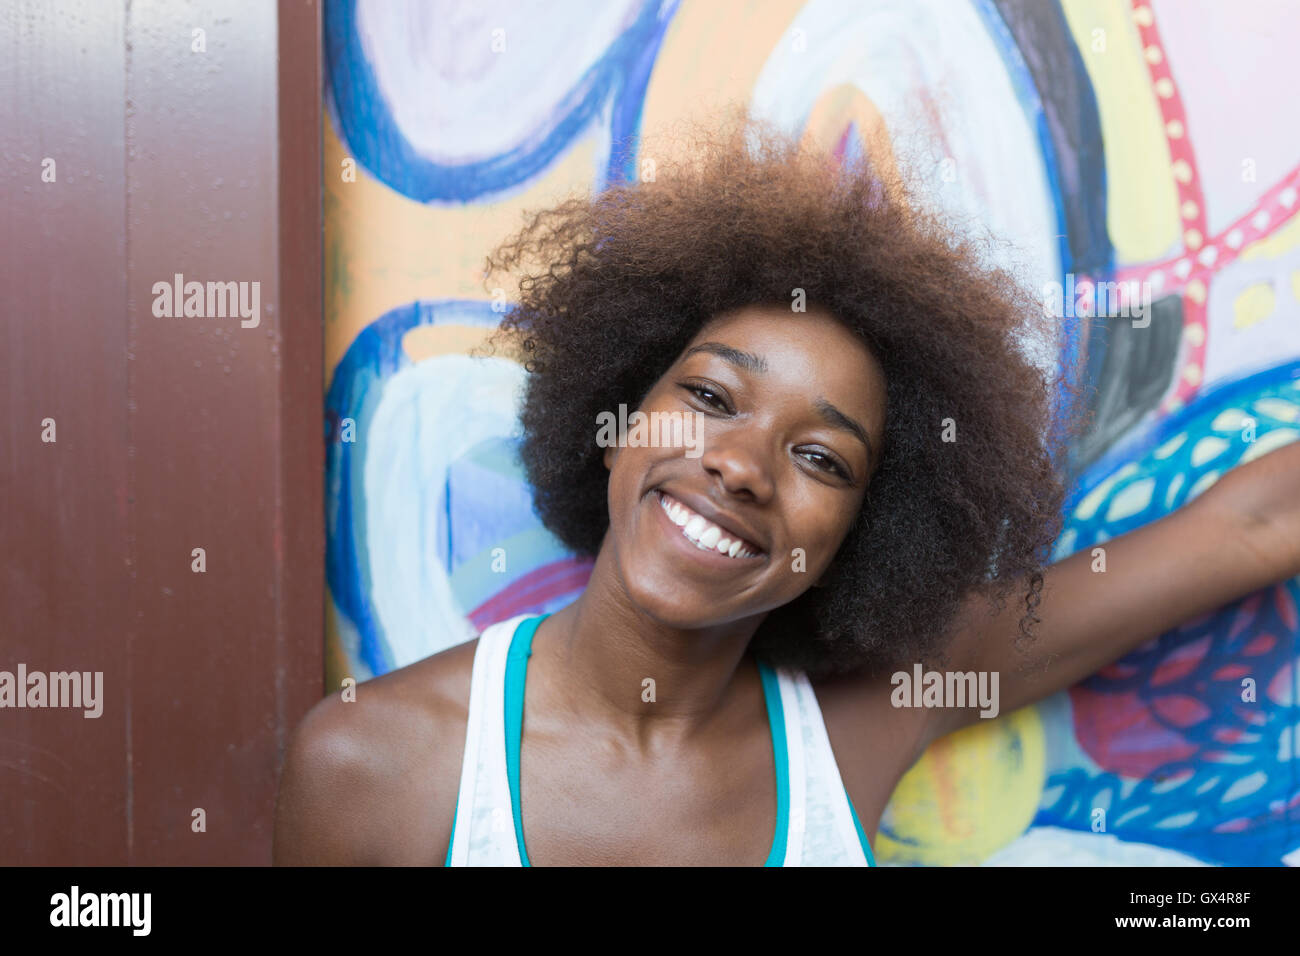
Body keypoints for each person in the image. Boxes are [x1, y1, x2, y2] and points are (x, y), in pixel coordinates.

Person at [272, 111, 1300, 866]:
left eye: (820, 458)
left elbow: (1249, 527)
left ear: (865, 533)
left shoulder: (875, 712)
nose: (739, 465)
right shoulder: (373, 764)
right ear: (619, 418)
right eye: (712, 395)